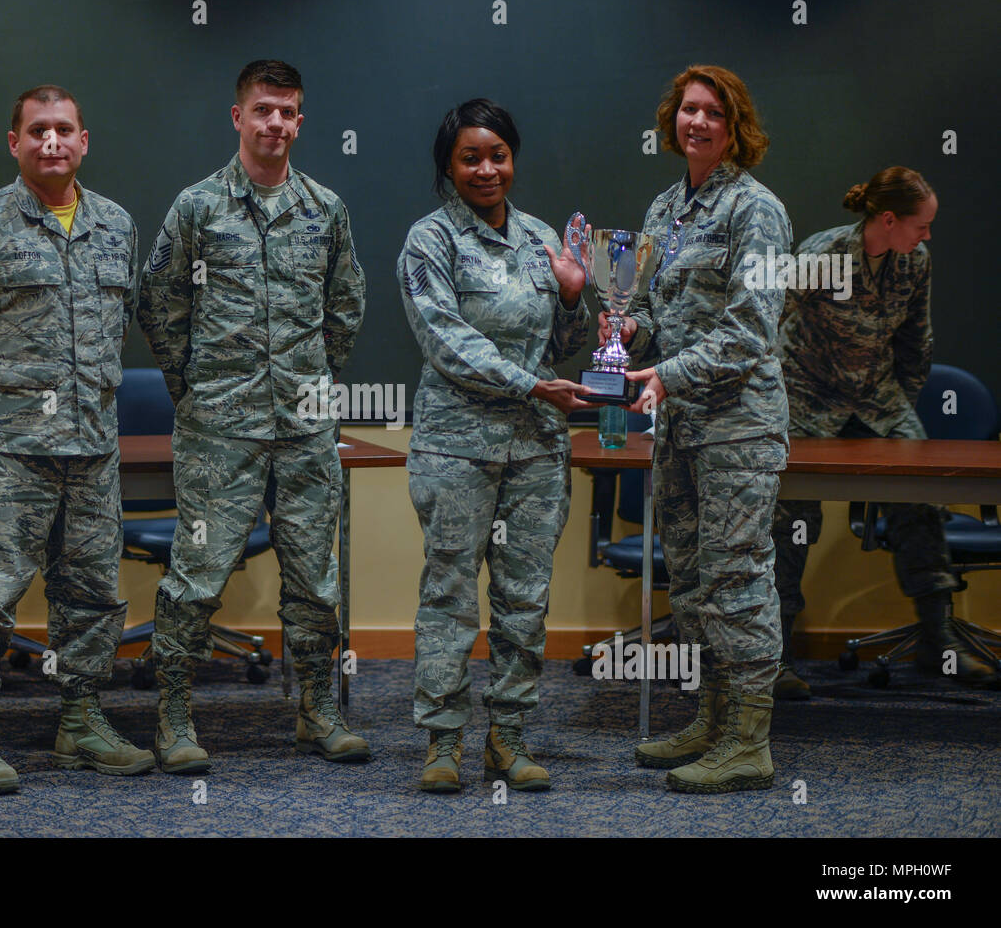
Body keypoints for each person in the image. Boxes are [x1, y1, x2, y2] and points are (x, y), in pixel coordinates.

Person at [0, 85, 147, 795]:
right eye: (37, 130)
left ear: (83, 140)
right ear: (14, 141)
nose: (52, 141)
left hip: (93, 449)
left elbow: (120, 319)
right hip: (5, 450)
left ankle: (79, 719)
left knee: (94, 592)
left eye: (64, 129)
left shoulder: (116, 225)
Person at [137, 60, 368, 773]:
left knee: (315, 577)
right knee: (198, 573)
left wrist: (311, 381)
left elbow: (346, 308)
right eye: (262, 109)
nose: (275, 123)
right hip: (219, 427)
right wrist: (195, 388)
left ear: (301, 121)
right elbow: (160, 304)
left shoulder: (325, 208)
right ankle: (172, 715)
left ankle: (317, 710)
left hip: (305, 424)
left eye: (288, 111)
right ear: (237, 117)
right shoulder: (198, 207)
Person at [398, 99, 594, 793]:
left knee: (525, 598)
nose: (487, 169)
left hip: (537, 451)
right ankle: (441, 741)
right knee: (449, 593)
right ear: (448, 167)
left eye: (498, 154)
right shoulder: (430, 241)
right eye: (471, 157)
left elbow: (566, 347)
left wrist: (574, 298)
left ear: (514, 158)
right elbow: (446, 341)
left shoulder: (545, 237)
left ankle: (507, 738)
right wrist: (531, 385)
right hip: (458, 448)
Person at [610, 66, 791, 793]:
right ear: (671, 120)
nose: (698, 122)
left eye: (714, 112)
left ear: (735, 124)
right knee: (691, 580)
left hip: (737, 429)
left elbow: (751, 330)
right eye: (688, 110)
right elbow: (653, 309)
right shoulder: (663, 210)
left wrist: (666, 374)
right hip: (679, 426)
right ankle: (712, 719)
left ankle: (750, 740)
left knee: (737, 578)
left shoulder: (758, 209)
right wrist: (628, 326)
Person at [771, 168, 997, 692]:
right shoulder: (823, 256)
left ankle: (937, 641)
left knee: (922, 496)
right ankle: (776, 655)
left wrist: (904, 407)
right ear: (888, 220)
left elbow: (917, 339)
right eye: (922, 224)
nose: (928, 235)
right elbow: (770, 318)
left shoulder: (915, 259)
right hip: (807, 394)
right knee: (790, 517)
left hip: (876, 396)